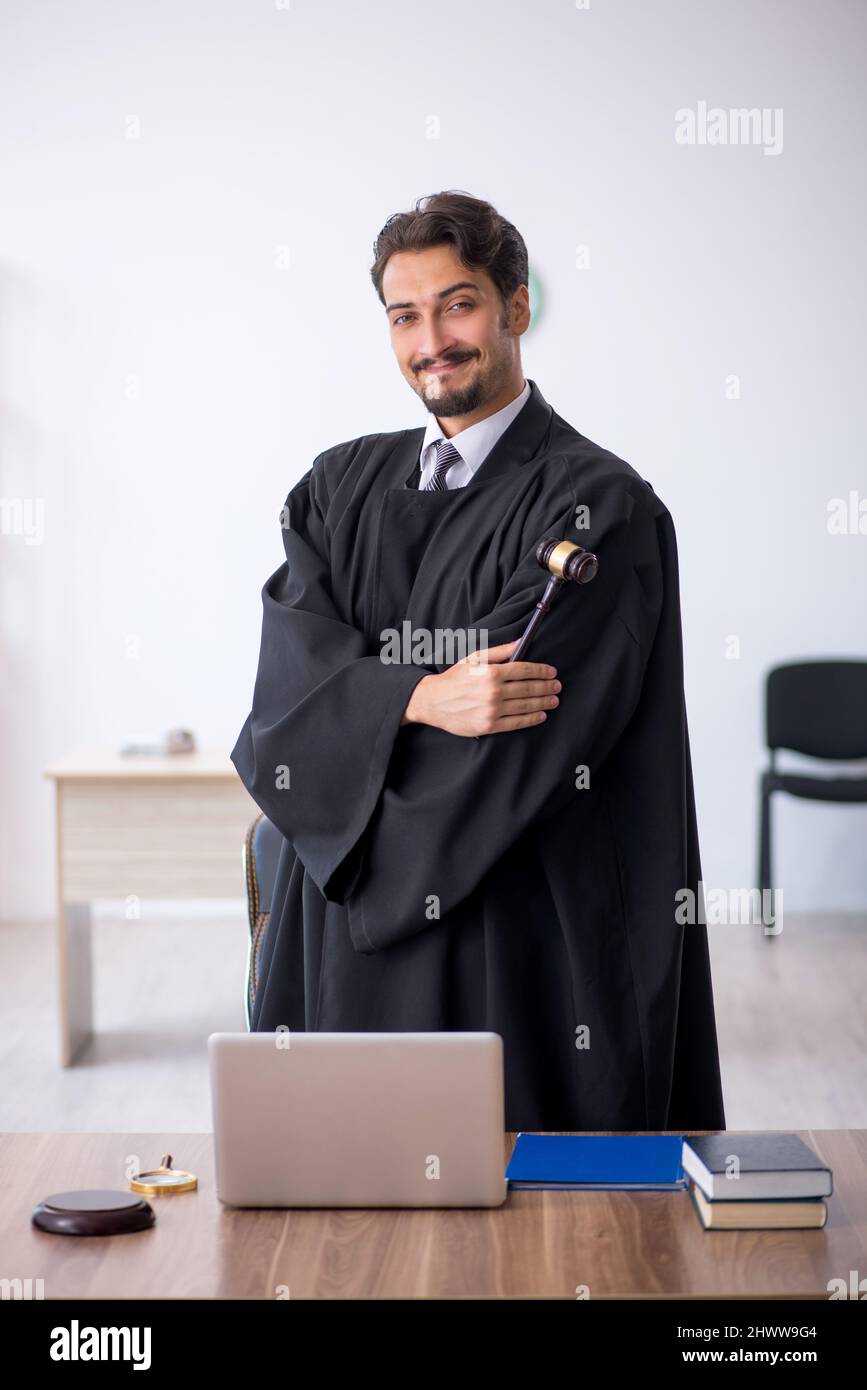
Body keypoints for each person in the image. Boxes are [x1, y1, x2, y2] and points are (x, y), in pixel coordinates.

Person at [230, 189, 726, 1132]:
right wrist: (418, 695)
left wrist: (360, 716)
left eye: (457, 304)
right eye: (403, 316)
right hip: (328, 935)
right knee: (335, 1222)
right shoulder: (336, 487)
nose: (431, 341)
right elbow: (283, 703)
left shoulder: (598, 508)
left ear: (515, 307)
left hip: (511, 932)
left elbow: (515, 736)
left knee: (521, 1231)